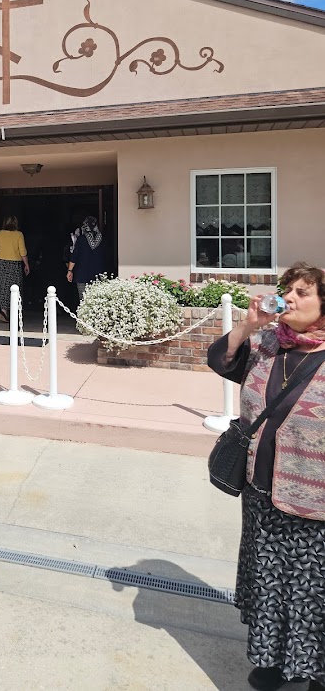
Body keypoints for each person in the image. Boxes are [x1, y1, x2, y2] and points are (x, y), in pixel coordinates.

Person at [207, 263, 325, 691]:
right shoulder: (268, 343)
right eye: (287, 290)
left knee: (312, 593)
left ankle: (314, 672)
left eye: (303, 293)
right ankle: (271, 662)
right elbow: (222, 360)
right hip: (261, 491)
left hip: (315, 504)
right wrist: (246, 325)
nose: (290, 298)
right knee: (268, 584)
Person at [0, 216, 29, 322]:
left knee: (3, 287)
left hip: (2, 264)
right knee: (15, 287)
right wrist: (26, 264)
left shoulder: (0, 234)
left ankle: (3, 311)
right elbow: (23, 251)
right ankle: (15, 311)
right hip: (14, 264)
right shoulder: (19, 234)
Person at [66, 216, 103, 300]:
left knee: (83, 300)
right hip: (98, 274)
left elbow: (74, 256)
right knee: (97, 300)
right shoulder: (103, 239)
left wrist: (70, 270)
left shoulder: (81, 239)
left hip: (82, 274)